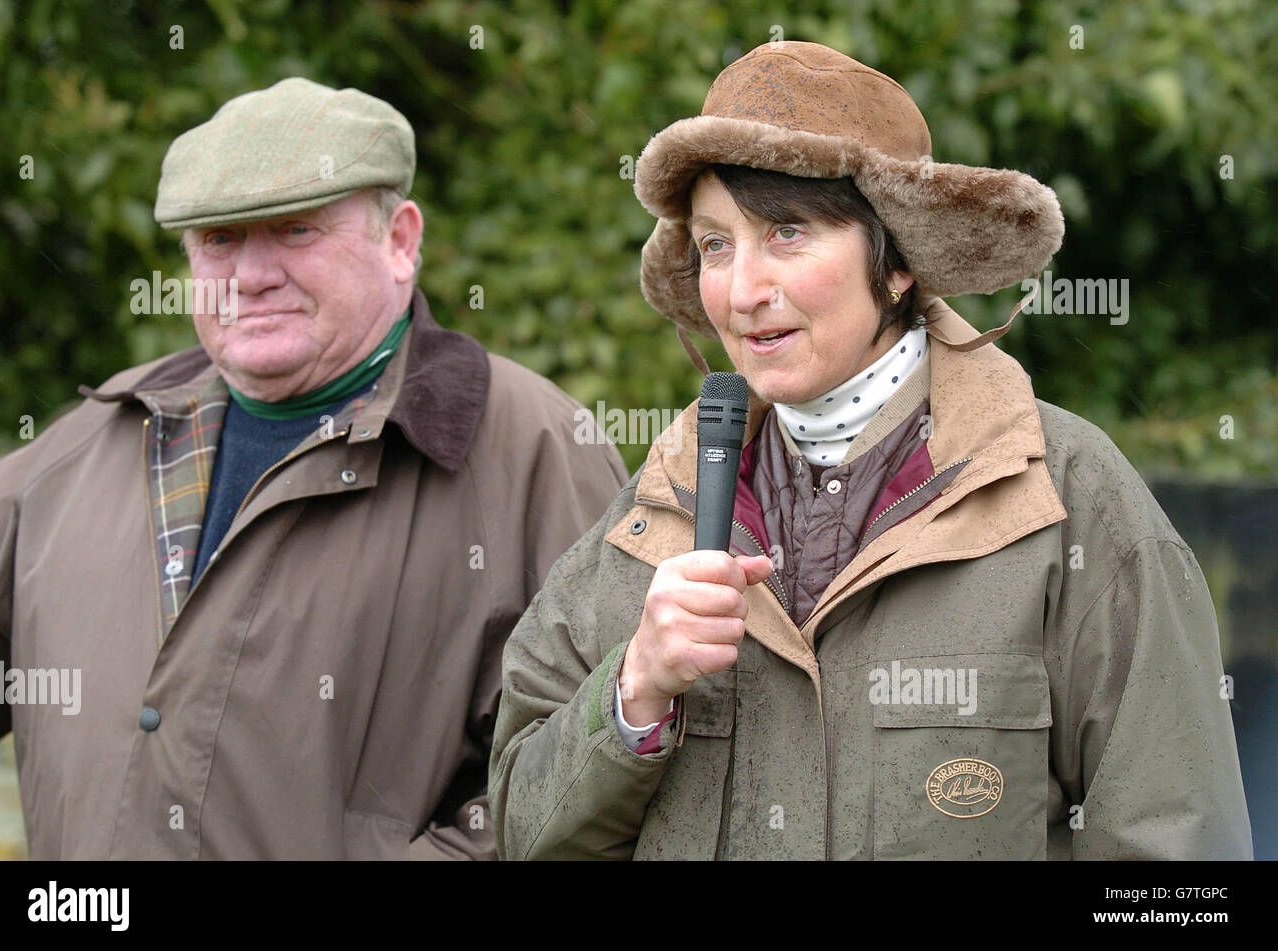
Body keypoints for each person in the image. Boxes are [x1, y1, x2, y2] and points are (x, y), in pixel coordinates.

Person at [488, 42, 1252, 859]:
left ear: (895, 268)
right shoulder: (653, 514)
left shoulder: (1068, 497)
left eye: (786, 232)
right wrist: (634, 691)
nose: (741, 290)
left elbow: (1181, 864)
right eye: (715, 244)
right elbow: (521, 831)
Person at [0, 77, 626, 859]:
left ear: (400, 239)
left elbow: (595, 778)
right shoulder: (91, 444)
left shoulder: (536, 448)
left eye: (293, 231)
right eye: (219, 239)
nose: (250, 275)